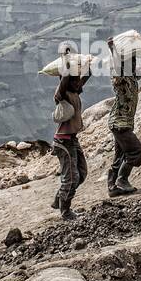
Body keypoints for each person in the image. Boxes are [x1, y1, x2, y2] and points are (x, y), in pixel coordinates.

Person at [105, 35, 141, 197]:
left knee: (120, 155)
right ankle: (122, 179)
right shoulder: (120, 79)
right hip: (119, 123)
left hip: (123, 123)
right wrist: (113, 49)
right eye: (132, 62)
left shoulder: (132, 78)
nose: (135, 65)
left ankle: (112, 187)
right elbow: (116, 68)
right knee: (135, 150)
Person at [52, 54, 88, 220]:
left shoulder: (75, 92)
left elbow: (84, 79)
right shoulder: (62, 94)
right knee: (71, 178)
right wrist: (68, 65)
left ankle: (60, 198)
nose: (77, 83)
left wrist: (88, 65)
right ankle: (65, 211)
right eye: (74, 80)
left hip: (72, 139)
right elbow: (65, 80)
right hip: (63, 141)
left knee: (81, 173)